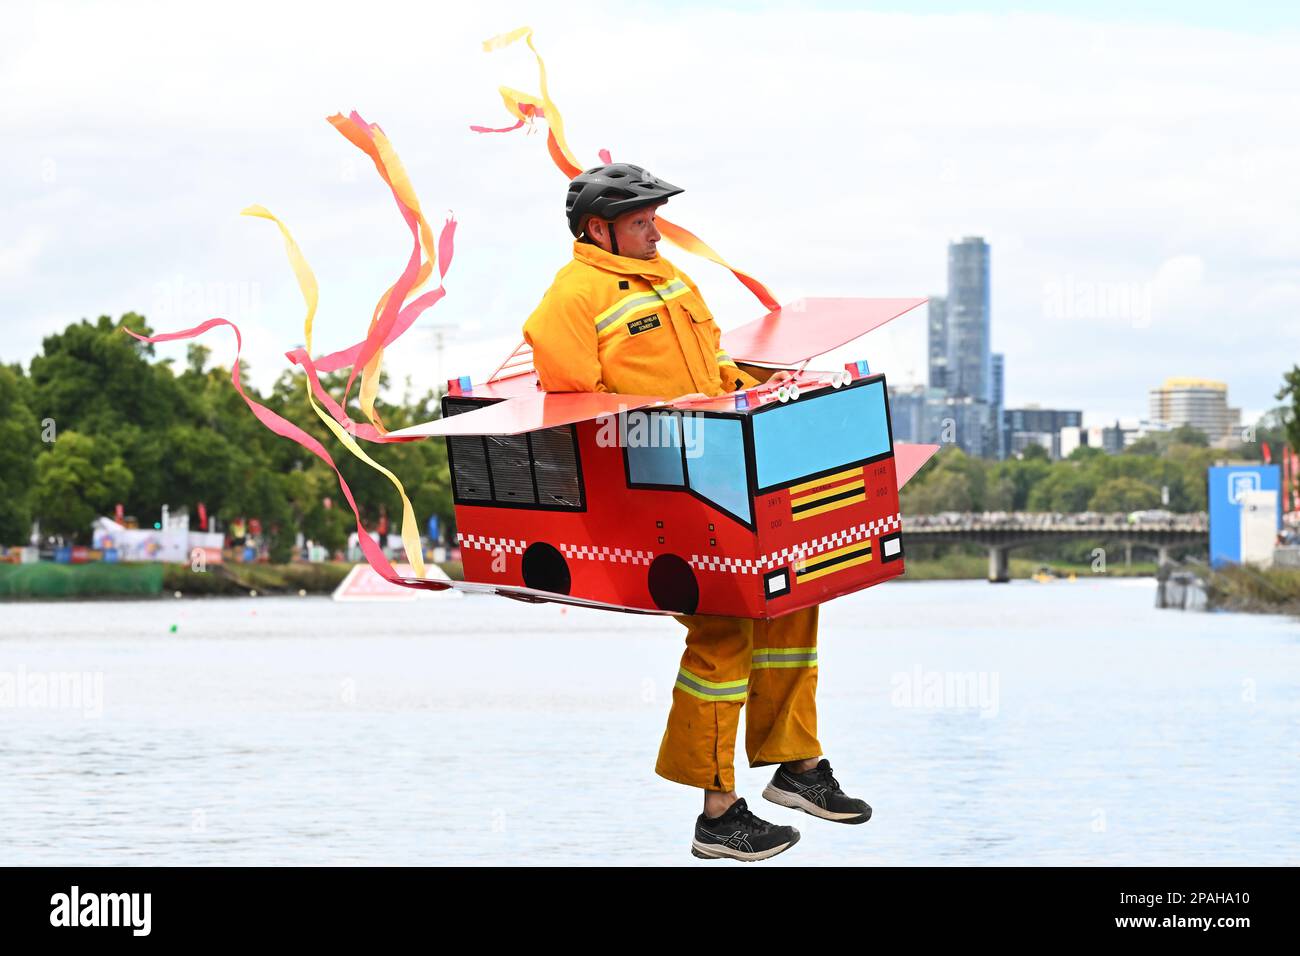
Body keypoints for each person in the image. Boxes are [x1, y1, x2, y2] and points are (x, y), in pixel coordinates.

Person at [523, 163, 871, 862]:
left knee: (790, 598)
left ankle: (797, 768)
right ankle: (718, 813)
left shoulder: (675, 278)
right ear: (599, 229)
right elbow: (572, 409)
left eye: (655, 218)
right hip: (657, 488)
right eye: (642, 221)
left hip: (722, 468)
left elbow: (712, 369)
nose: (656, 230)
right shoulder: (572, 296)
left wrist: (776, 383)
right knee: (721, 628)